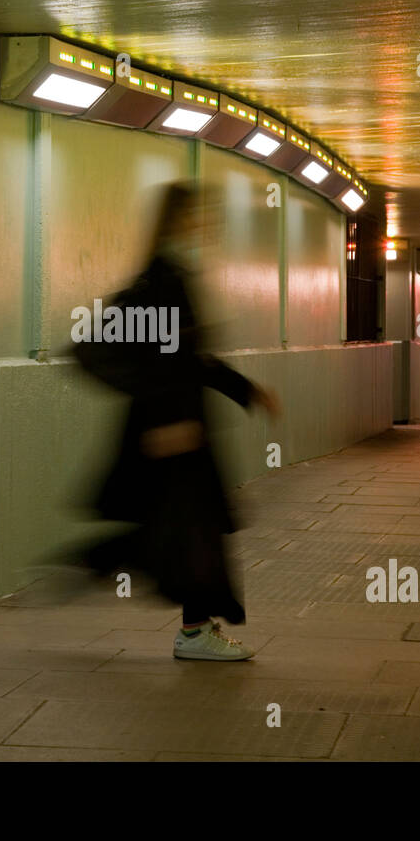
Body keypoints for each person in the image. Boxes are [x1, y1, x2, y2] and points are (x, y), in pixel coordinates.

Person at [70, 182, 280, 661]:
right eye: (198, 215)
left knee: (180, 530)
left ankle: (96, 565)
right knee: (192, 532)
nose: (207, 223)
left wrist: (246, 390)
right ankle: (191, 630)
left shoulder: (175, 276)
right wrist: (160, 418)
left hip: (185, 431)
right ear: (176, 221)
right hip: (172, 433)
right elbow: (97, 350)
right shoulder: (159, 282)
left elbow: (191, 359)